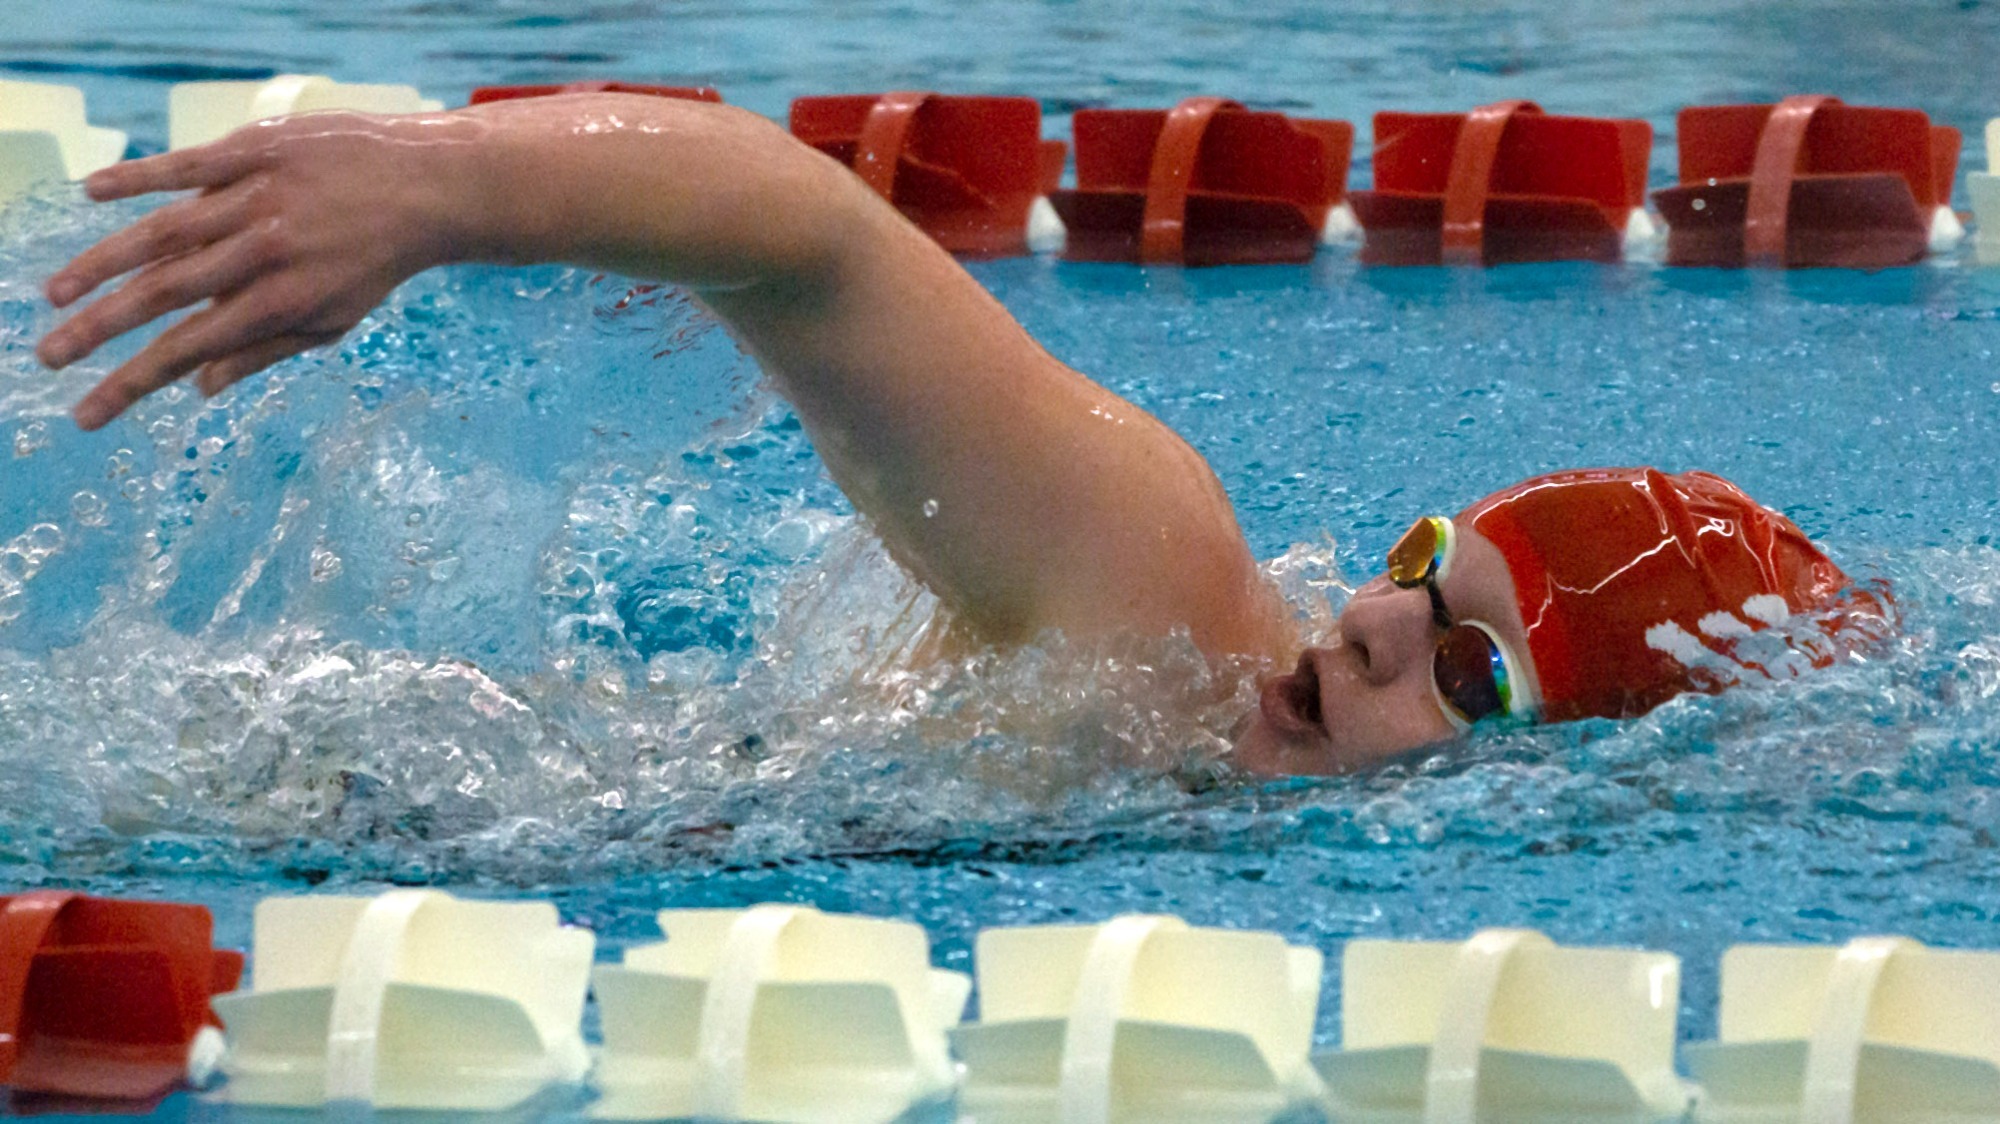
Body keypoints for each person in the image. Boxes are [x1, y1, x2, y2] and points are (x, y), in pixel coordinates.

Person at [31, 94, 1885, 776]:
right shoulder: (1158, 580)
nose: (1385, 625)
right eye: (1421, 567)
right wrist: (437, 189)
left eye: (1473, 673)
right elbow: (817, 241)